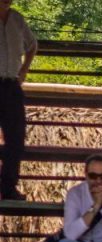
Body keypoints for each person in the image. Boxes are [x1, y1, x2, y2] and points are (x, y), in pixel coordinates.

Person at [0, 0, 35, 201]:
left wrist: (24, 70)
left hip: (12, 84)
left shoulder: (17, 20)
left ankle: (8, 187)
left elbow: (32, 45)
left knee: (16, 138)